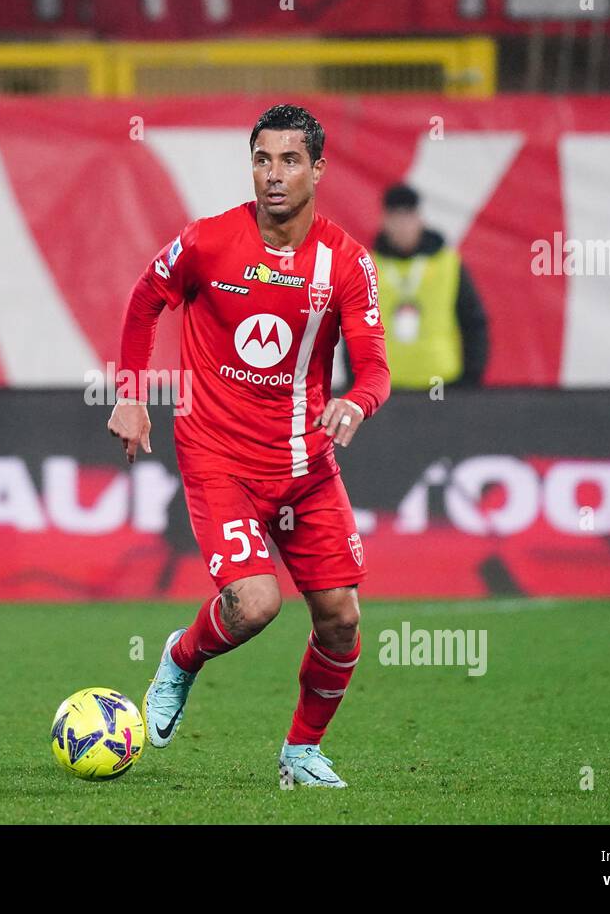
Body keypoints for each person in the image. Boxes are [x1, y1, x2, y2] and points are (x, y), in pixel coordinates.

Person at [107, 104, 390, 787]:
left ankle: (300, 755)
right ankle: (181, 657)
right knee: (257, 604)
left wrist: (357, 400)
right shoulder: (208, 243)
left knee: (342, 619)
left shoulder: (345, 262)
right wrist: (129, 392)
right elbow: (145, 300)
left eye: (290, 160)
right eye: (263, 159)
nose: (274, 174)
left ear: (317, 169)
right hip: (218, 458)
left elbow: (376, 365)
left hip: (305, 466)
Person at [348, 182, 488, 390]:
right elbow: (354, 329)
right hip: (386, 387)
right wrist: (357, 384)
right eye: (395, 218)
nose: (402, 226)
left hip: (442, 383)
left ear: (419, 219)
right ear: (384, 221)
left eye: (408, 217)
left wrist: (470, 380)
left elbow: (473, 322)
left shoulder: (447, 263)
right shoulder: (368, 267)